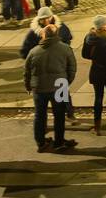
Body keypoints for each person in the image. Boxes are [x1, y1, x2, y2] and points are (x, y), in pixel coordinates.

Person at [25, 20, 78, 153]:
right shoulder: (65, 48)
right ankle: (59, 142)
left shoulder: (34, 51)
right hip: (60, 86)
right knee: (59, 115)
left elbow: (27, 71)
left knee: (40, 115)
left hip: (39, 87)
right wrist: (66, 82)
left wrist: (28, 86)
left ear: (43, 35)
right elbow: (72, 68)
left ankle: (41, 142)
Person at [81, 16, 106, 135]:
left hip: (96, 72)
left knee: (98, 98)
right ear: (103, 26)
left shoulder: (89, 38)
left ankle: (97, 125)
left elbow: (85, 55)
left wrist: (96, 57)